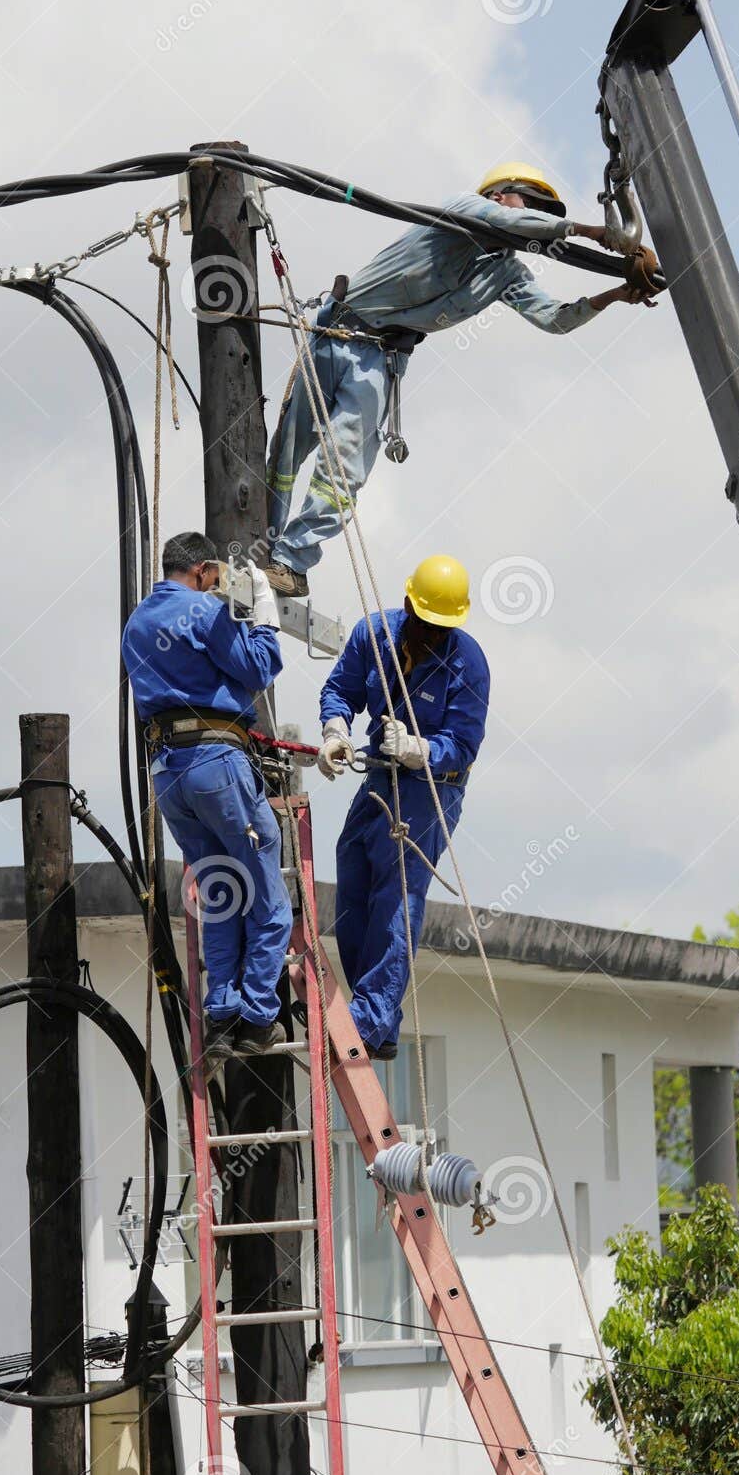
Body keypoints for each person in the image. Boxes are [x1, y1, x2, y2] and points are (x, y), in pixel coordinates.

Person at [263, 164, 654, 595]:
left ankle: (290, 561)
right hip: (333, 330)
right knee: (287, 451)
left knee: (343, 470)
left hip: (379, 358)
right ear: (499, 196)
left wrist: (616, 295)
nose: (537, 220)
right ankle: (261, 541)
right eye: (534, 205)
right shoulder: (461, 209)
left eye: (546, 212)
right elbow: (509, 224)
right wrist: (592, 232)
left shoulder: (505, 273)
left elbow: (555, 319)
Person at [121, 531, 292, 1066]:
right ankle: (258, 1018)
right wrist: (262, 609)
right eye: (214, 579)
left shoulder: (136, 623)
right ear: (199, 571)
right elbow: (261, 668)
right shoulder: (200, 611)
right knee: (266, 897)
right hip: (215, 762)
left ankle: (221, 1017)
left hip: (167, 772)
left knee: (221, 894)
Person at [316, 554, 489, 1059]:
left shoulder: (467, 662)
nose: (433, 634)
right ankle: (380, 1019)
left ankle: (368, 1019)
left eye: (443, 627)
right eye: (427, 622)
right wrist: (335, 733)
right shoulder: (374, 634)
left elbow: (462, 744)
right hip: (378, 775)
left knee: (397, 893)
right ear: (409, 603)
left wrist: (418, 748)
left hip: (431, 789)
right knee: (352, 878)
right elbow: (340, 690)